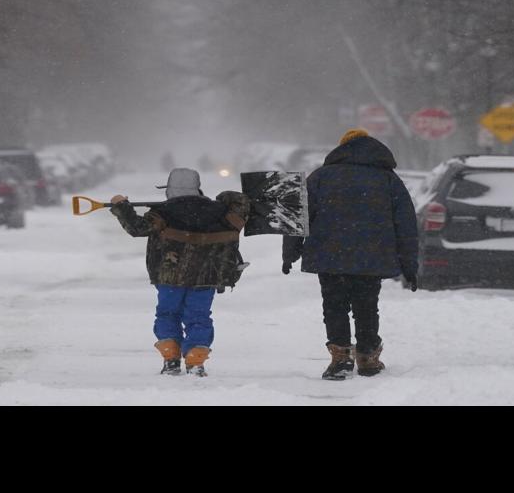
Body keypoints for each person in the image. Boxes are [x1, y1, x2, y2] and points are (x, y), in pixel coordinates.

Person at [282, 129, 418, 380]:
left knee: (334, 305)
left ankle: (341, 358)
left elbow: (298, 217)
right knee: (367, 306)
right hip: (372, 257)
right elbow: (406, 224)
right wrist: (410, 265)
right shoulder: (388, 179)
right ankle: (367, 358)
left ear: (342, 149)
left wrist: (290, 253)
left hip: (329, 255)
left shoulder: (321, 176)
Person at [110, 168, 250, 377]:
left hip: (170, 276)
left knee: (168, 313)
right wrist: (222, 199)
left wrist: (121, 206)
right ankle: (195, 359)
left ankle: (171, 358)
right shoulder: (219, 211)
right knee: (199, 316)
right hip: (207, 276)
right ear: (198, 187)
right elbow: (242, 204)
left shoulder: (162, 212)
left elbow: (137, 228)